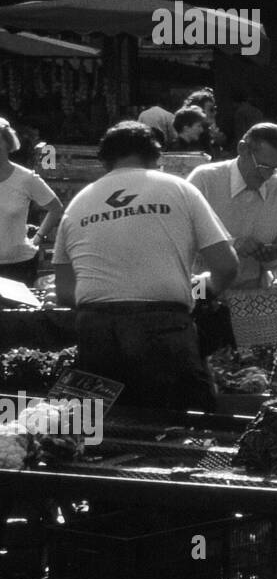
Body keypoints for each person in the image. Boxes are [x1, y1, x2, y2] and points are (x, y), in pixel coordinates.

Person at [52, 122, 238, 410]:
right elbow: (226, 266)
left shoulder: (77, 205)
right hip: (162, 329)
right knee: (190, 429)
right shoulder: (179, 189)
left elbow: (64, 292)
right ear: (156, 158)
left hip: (96, 333)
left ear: (104, 161)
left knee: (105, 434)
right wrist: (204, 291)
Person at [188, 123, 277, 291]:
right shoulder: (204, 179)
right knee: (202, 314)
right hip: (201, 289)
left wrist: (272, 257)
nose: (267, 176)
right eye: (264, 167)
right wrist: (232, 245)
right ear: (243, 149)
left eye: (275, 169)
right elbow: (184, 242)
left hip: (254, 295)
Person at [0, 117, 63, 286]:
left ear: (8, 143)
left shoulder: (26, 178)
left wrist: (38, 237)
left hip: (18, 265)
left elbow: (55, 208)